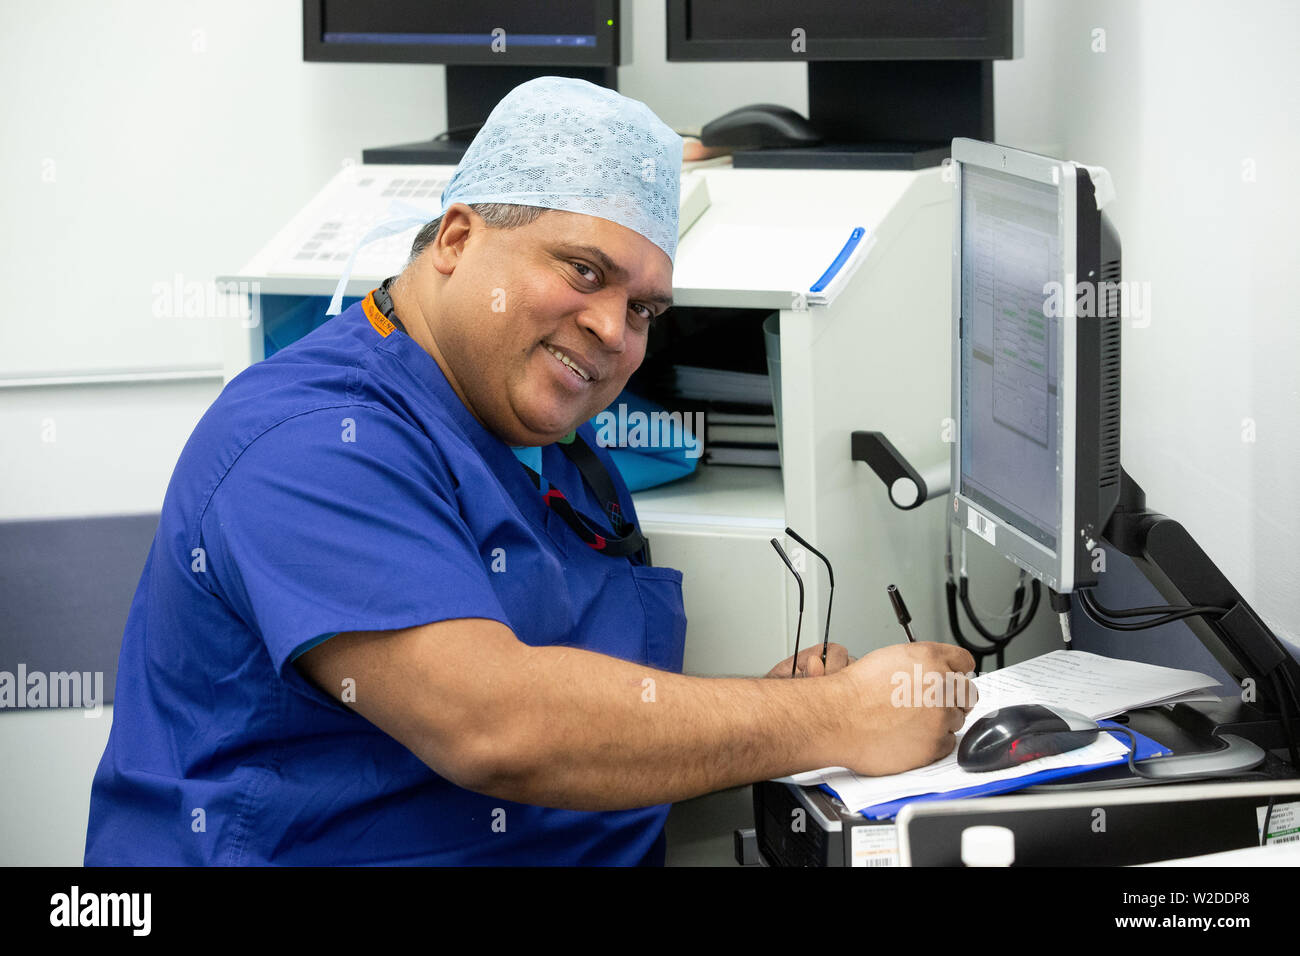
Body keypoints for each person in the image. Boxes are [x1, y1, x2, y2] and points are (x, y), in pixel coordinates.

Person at [85, 77, 975, 866]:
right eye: (584, 271)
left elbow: (585, 728)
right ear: (459, 238)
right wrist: (835, 719)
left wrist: (770, 719)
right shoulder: (312, 444)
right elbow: (498, 725)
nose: (613, 330)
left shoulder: (551, 449)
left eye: (643, 308)